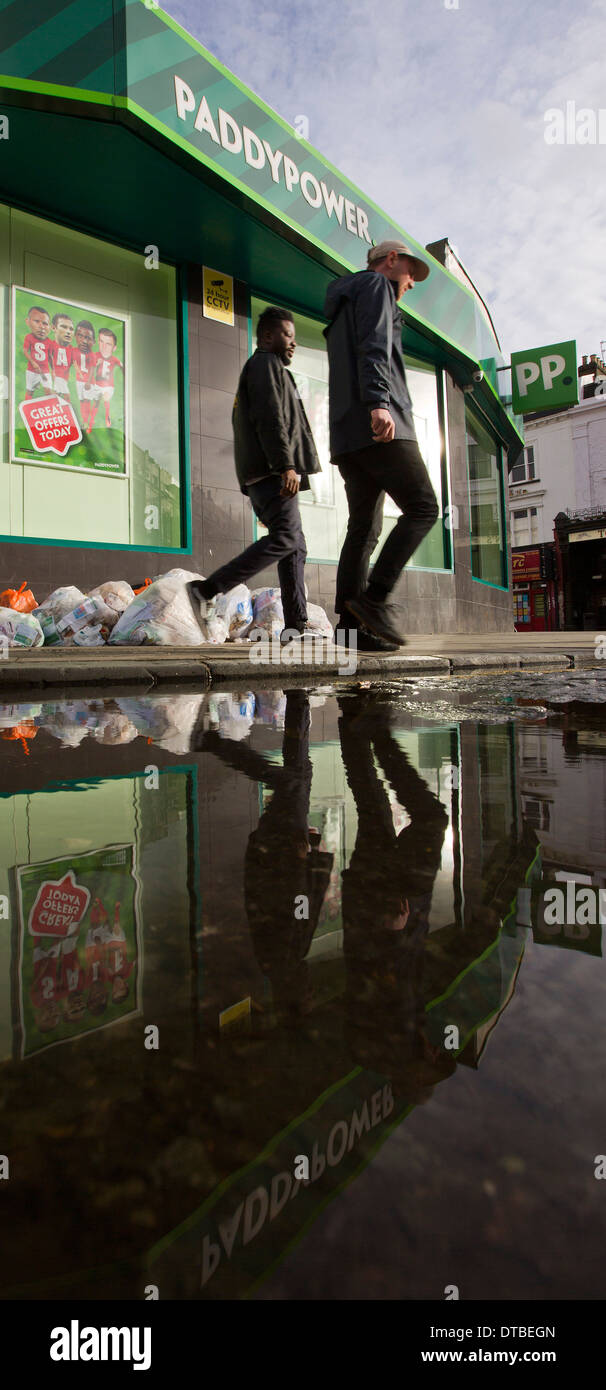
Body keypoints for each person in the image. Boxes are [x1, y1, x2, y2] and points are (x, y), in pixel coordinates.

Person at [324, 240, 440, 648]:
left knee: (363, 529)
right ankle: (375, 600)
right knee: (424, 507)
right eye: (410, 273)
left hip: (347, 434)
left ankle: (350, 630)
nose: (411, 283)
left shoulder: (343, 302)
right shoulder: (376, 288)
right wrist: (379, 403)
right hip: (380, 425)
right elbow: (374, 346)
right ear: (391, 261)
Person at [186, 306, 322, 644]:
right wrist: (285, 465)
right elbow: (271, 418)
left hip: (268, 475)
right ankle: (208, 589)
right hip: (272, 474)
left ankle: (295, 630)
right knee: (286, 540)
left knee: (294, 547)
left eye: (294, 338)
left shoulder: (272, 369)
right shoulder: (264, 366)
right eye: (287, 336)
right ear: (266, 337)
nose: (293, 344)